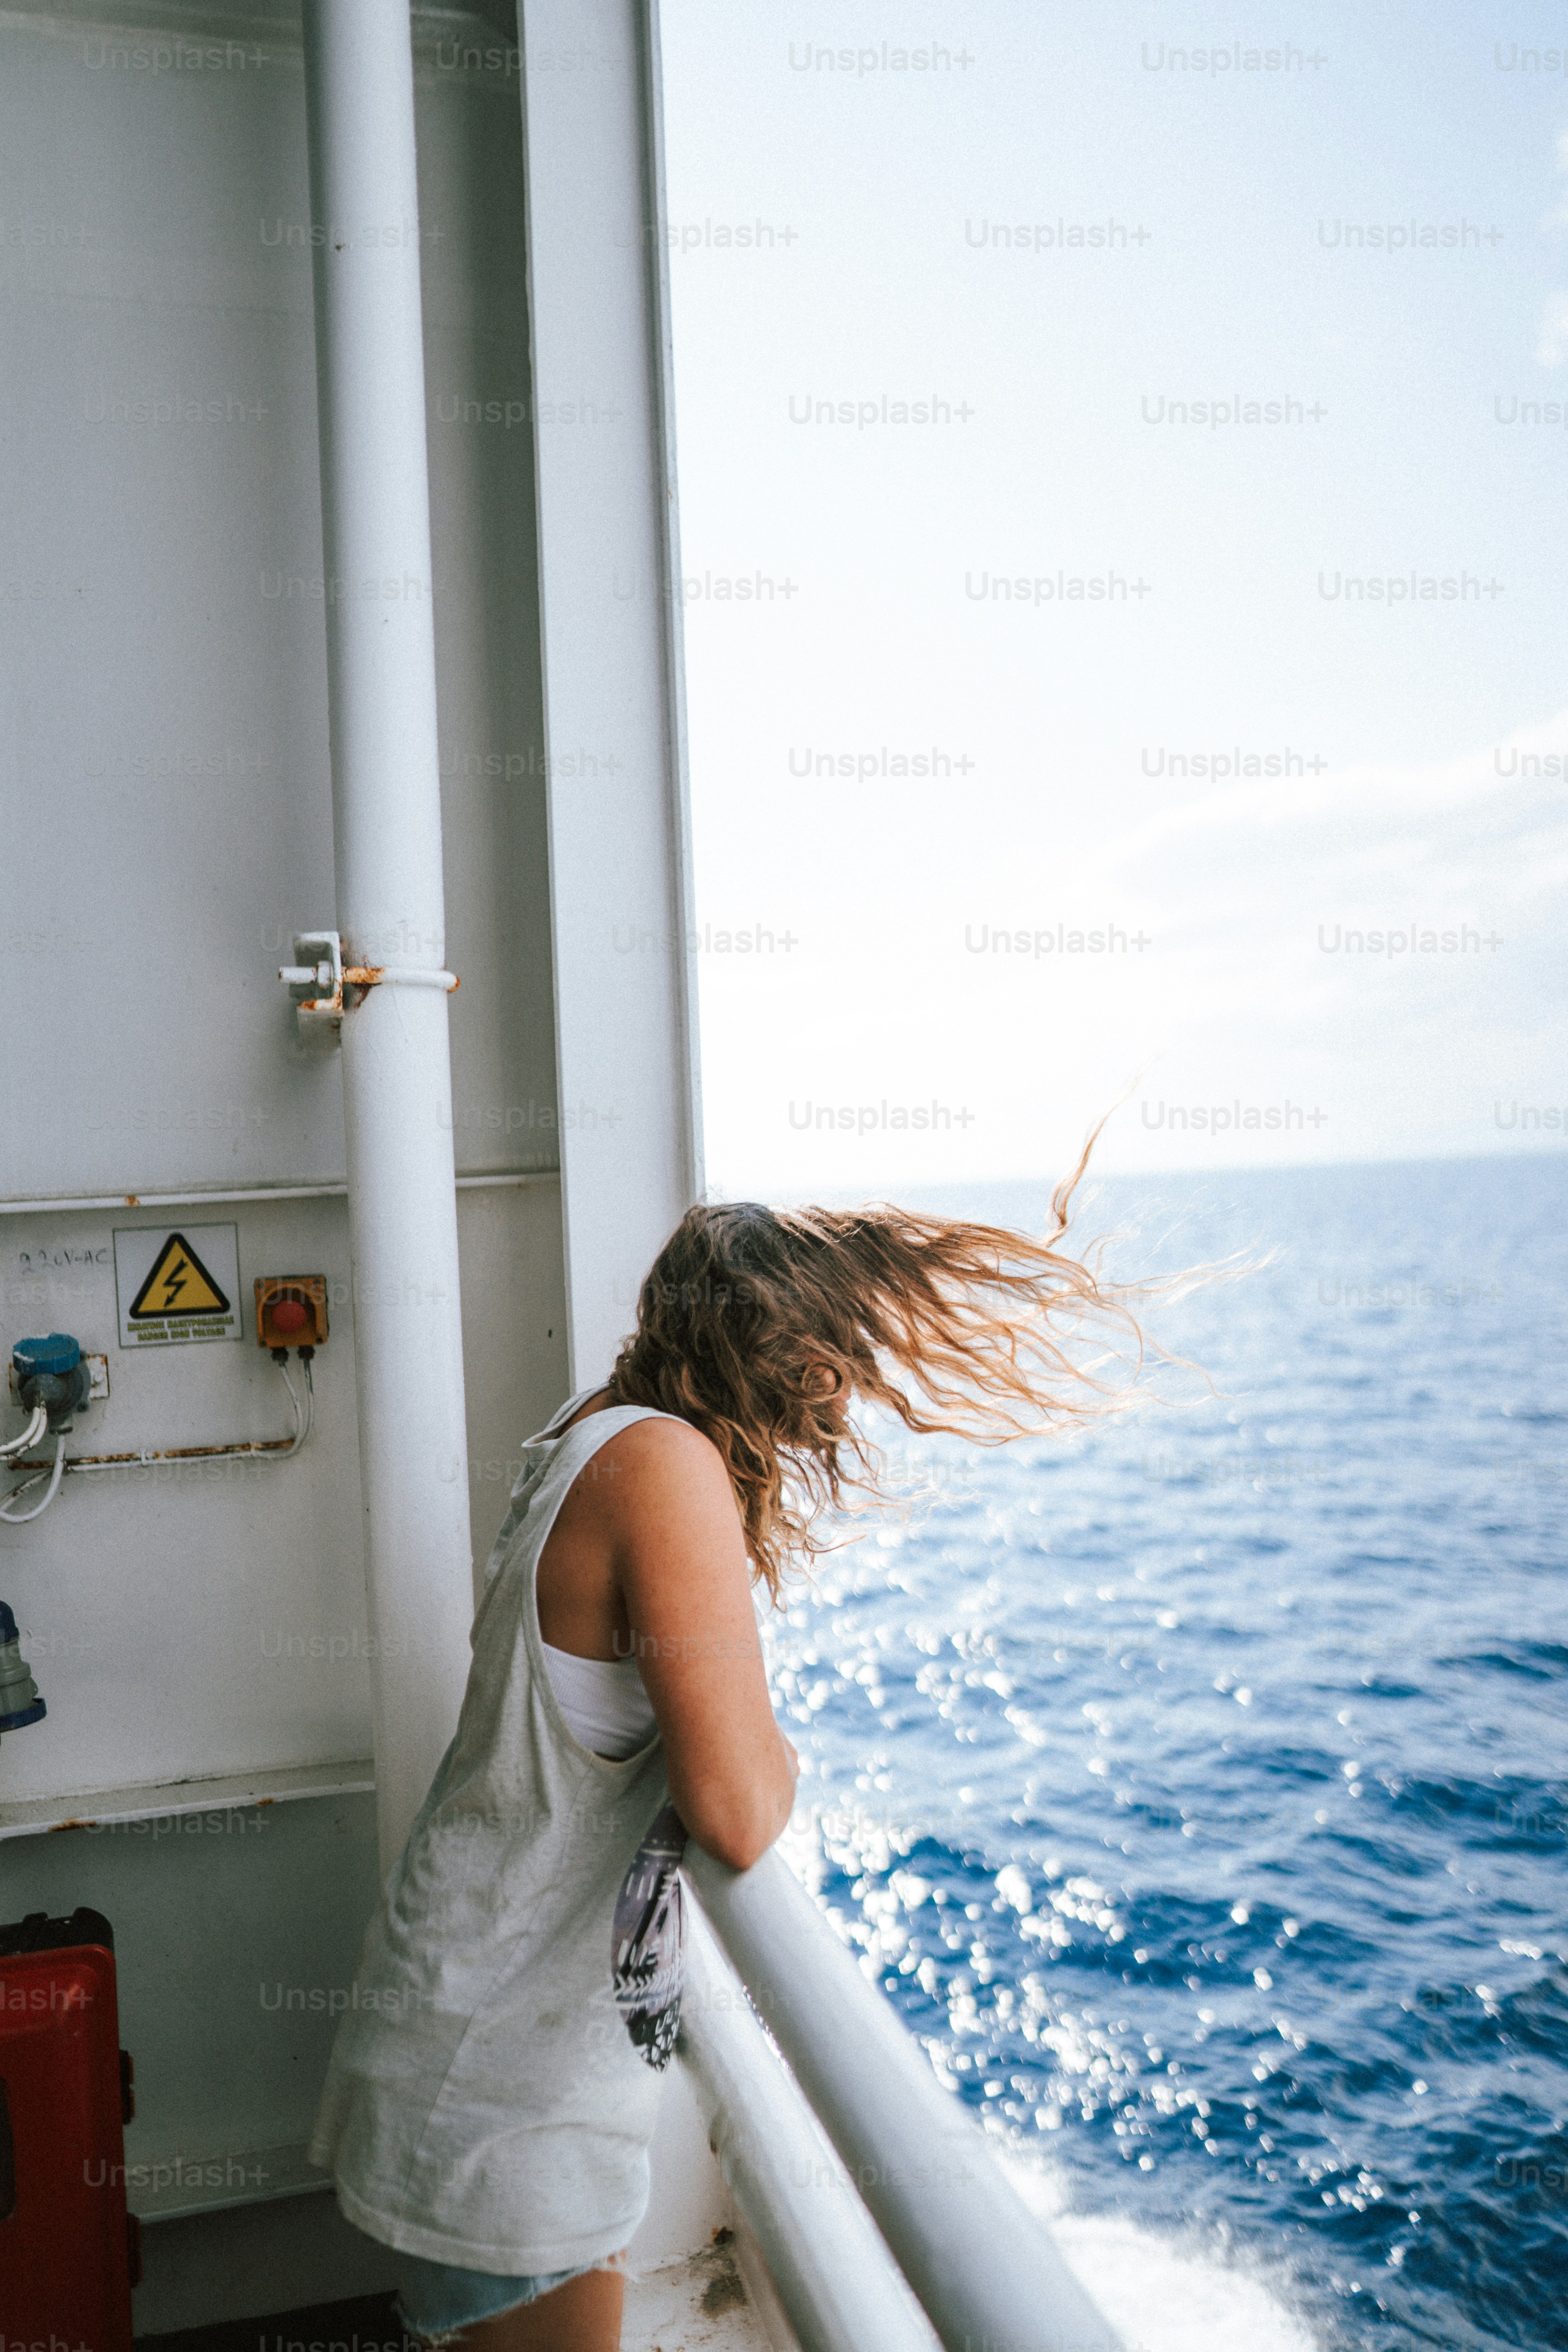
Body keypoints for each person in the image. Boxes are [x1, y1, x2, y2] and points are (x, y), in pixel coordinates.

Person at [309, 1167, 1154, 2349]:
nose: (840, 1412)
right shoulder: (664, 1467)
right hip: (502, 2096)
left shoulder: (590, 1429)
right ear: (786, 1362)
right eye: (834, 1375)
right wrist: (776, 1745)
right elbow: (741, 1808)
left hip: (477, 2042)